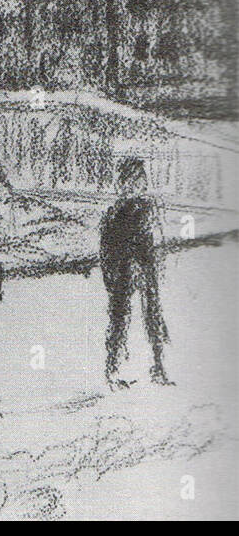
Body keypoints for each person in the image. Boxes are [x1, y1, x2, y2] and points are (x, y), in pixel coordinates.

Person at [98, 158, 171, 387]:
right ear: (123, 183)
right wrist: (110, 277)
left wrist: (155, 268)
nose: (137, 184)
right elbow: (106, 250)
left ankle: (157, 367)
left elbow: (157, 241)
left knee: (152, 319)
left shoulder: (148, 208)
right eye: (132, 180)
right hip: (124, 273)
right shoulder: (114, 213)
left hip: (143, 271)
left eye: (140, 180)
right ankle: (113, 369)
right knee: (120, 321)